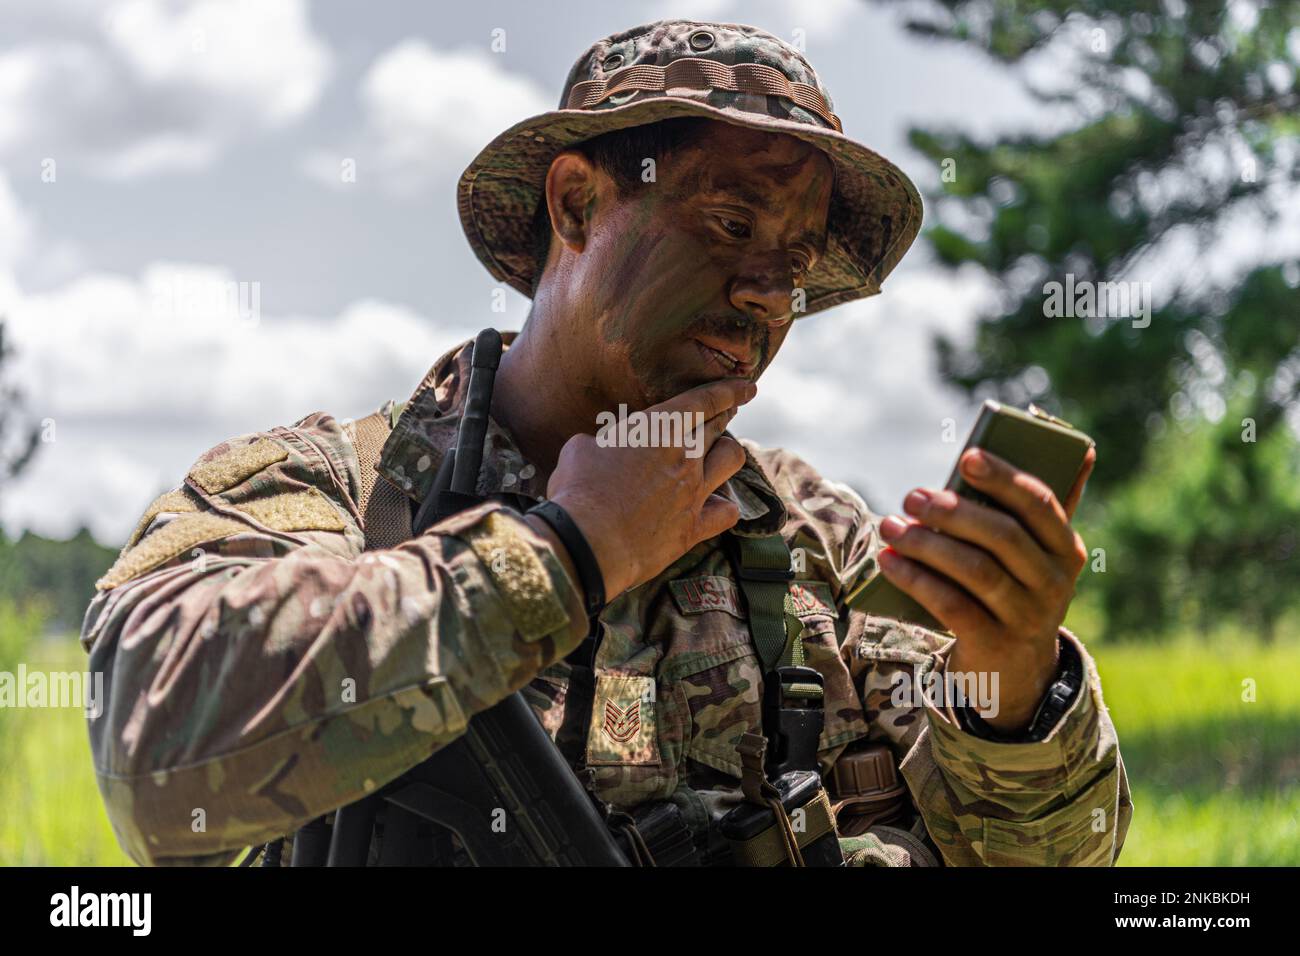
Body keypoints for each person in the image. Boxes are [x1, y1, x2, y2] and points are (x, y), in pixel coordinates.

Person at [81, 19, 1130, 867]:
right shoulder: (334, 490)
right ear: (577, 202)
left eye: (796, 262)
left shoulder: (822, 542)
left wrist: (1011, 686)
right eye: (729, 226)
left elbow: (1043, 857)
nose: (771, 292)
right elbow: (153, 756)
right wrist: (564, 552)